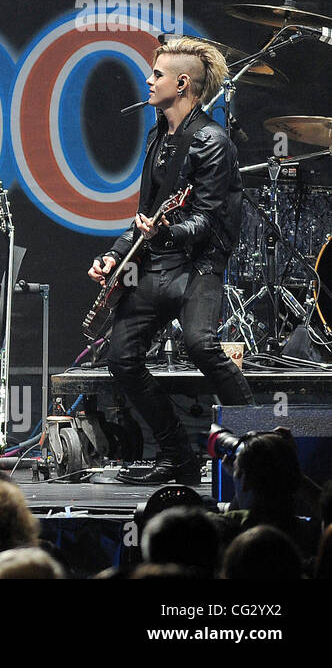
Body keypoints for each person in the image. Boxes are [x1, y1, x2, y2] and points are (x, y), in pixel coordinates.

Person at [89, 38, 253, 484]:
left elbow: (209, 219)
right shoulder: (157, 136)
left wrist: (166, 232)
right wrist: (114, 254)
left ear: (182, 84)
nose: (148, 79)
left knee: (201, 345)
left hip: (198, 266)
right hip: (159, 264)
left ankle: (261, 447)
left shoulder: (213, 141)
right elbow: (145, 214)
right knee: (121, 357)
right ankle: (179, 454)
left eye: (157, 74)